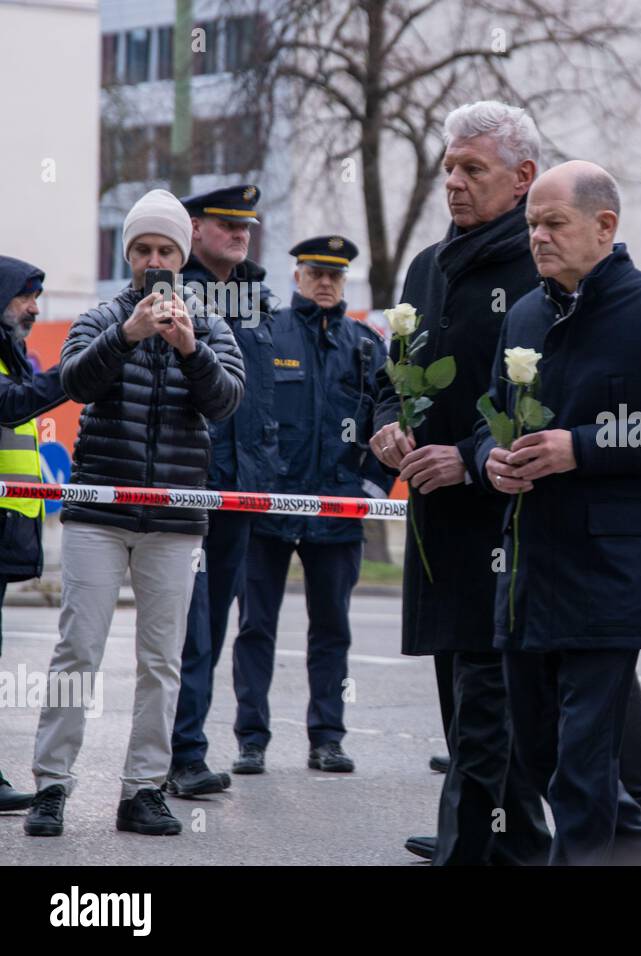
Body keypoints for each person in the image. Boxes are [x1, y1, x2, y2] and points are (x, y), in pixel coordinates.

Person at [476, 160, 641, 865]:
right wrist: (489, 459)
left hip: (615, 569)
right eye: (531, 226)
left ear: (604, 226)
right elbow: (491, 420)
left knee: (582, 762)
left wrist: (579, 448)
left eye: (553, 224)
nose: (538, 239)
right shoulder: (523, 313)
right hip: (528, 568)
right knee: (541, 746)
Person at [25, 189, 244, 837]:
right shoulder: (100, 318)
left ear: (182, 256)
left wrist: (188, 348)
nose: (155, 261)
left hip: (175, 520)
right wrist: (126, 335)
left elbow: (226, 401)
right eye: (143, 250)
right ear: (129, 256)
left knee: (161, 659)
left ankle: (144, 788)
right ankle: (52, 786)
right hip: (97, 510)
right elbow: (74, 385)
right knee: (78, 651)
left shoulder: (208, 323)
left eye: (166, 250)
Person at [369, 100, 553, 865]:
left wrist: (469, 459)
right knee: (462, 698)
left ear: (523, 179)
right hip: (437, 523)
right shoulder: (426, 265)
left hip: (505, 525)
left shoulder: (541, 265)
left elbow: (537, 404)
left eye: (471, 169)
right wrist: (387, 424)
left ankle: (470, 844)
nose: (453, 182)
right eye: (448, 166)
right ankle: (518, 838)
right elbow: (392, 375)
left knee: (487, 703)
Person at [229, 235, 392, 775]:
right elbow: (242, 418)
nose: (325, 282)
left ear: (345, 282)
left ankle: (327, 738)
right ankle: (251, 739)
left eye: (335, 275)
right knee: (256, 628)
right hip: (269, 510)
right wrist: (253, 485)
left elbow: (390, 423)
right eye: (315, 272)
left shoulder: (366, 346)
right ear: (296, 275)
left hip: (338, 511)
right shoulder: (265, 333)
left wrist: (371, 490)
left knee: (332, 630)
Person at [167, 184, 280, 799]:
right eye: (227, 223)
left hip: (239, 490)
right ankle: (182, 755)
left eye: (246, 225)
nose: (241, 233)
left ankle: (180, 749)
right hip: (185, 486)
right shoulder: (170, 293)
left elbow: (264, 400)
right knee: (189, 633)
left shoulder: (259, 299)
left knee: (210, 629)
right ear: (194, 229)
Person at [0, 256, 67, 813]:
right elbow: (12, 407)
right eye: (25, 296)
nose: (35, 308)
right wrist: (75, 372)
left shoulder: (12, 355)